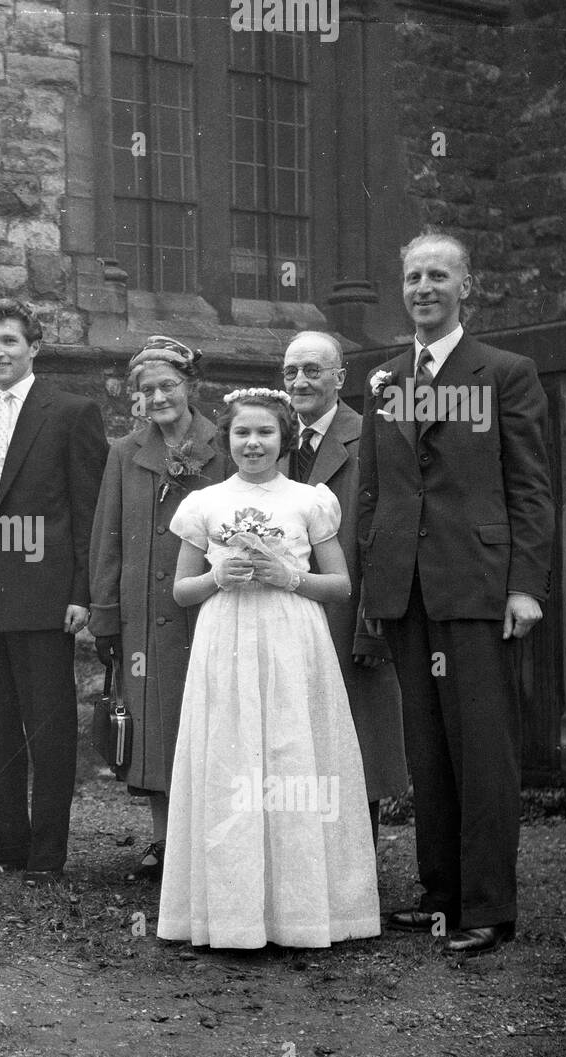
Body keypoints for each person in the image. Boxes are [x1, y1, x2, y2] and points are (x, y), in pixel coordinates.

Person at [359, 231, 554, 955]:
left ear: (466, 286)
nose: (424, 289)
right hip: (406, 590)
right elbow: (376, 489)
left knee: (482, 750)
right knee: (428, 751)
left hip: (476, 587)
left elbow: (531, 488)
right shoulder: (385, 380)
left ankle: (486, 907)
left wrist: (526, 586)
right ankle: (440, 897)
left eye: (439, 275)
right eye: (413, 277)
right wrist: (377, 583)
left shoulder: (505, 373)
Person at [157, 388, 380, 949]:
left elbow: (341, 585)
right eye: (241, 433)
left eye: (265, 433)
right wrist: (217, 578)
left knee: (291, 755)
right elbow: (182, 592)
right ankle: (230, 913)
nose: (253, 443)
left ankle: (300, 912)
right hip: (225, 637)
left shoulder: (310, 499)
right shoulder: (204, 503)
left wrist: (288, 576)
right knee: (231, 757)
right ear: (226, 439)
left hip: (290, 635)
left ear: (283, 438)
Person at [0, 299, 108, 886]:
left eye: (9, 341)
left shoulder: (71, 412)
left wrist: (82, 592)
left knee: (48, 727)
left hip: (44, 595)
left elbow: (88, 512)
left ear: (34, 346)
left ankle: (47, 848)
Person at [89, 336, 227, 881]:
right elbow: (108, 536)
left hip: (207, 605)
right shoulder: (125, 452)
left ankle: (213, 839)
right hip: (144, 612)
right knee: (152, 722)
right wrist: (105, 613)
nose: (157, 397)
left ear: (189, 387)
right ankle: (164, 841)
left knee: (210, 717)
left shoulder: (225, 443)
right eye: (146, 390)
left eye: (168, 385)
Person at [282, 332, 407, 845]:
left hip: (348, 615)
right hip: (285, 616)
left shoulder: (372, 434)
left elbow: (389, 534)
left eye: (313, 370)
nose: (300, 381)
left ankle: (356, 869)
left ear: (341, 378)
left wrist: (374, 623)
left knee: (357, 742)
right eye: (290, 372)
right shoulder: (271, 440)